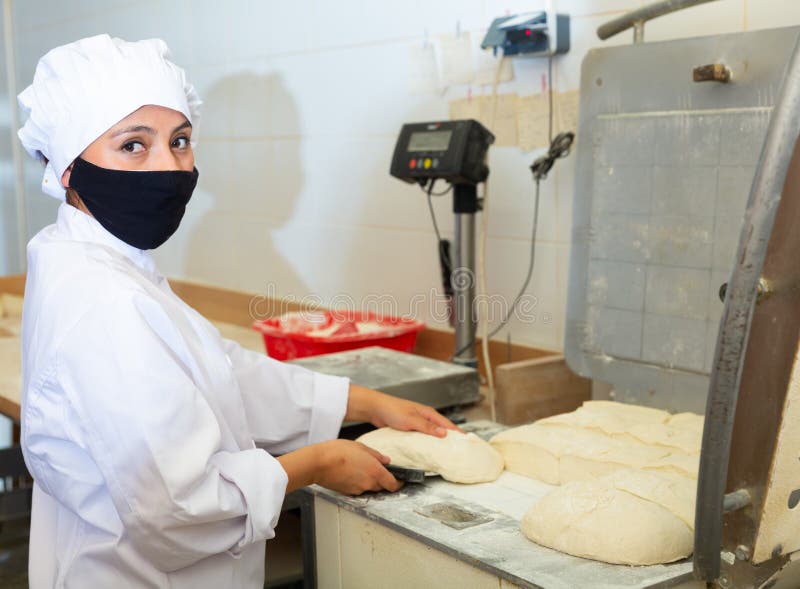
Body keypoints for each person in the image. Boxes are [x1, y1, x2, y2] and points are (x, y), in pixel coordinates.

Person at [17, 35, 458, 588]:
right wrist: (319, 462)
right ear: (67, 166)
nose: (167, 167)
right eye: (133, 145)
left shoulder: (95, 260)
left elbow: (215, 372)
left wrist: (359, 400)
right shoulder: (103, 302)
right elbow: (178, 508)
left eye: (180, 141)